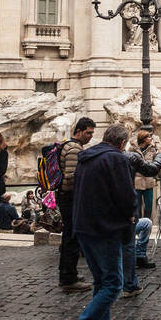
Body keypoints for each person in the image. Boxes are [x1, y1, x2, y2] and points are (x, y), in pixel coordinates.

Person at [55, 123, 135, 320]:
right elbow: (126, 197)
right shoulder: (117, 160)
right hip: (105, 229)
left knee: (101, 282)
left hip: (84, 228)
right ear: (122, 143)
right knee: (113, 284)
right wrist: (131, 216)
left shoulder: (86, 157)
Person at [121, 129, 161, 297]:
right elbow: (149, 167)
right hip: (138, 182)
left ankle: (139, 255)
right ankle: (130, 282)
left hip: (148, 182)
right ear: (142, 139)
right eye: (148, 137)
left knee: (147, 214)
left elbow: (153, 169)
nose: (150, 139)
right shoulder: (132, 152)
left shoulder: (151, 150)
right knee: (137, 213)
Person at [57, 117, 96, 292]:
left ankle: (68, 273)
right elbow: (72, 176)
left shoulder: (70, 145)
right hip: (70, 197)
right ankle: (68, 279)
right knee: (71, 238)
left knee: (70, 237)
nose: (90, 136)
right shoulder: (73, 148)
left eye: (92, 133)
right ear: (79, 131)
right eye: (88, 132)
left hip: (66, 196)